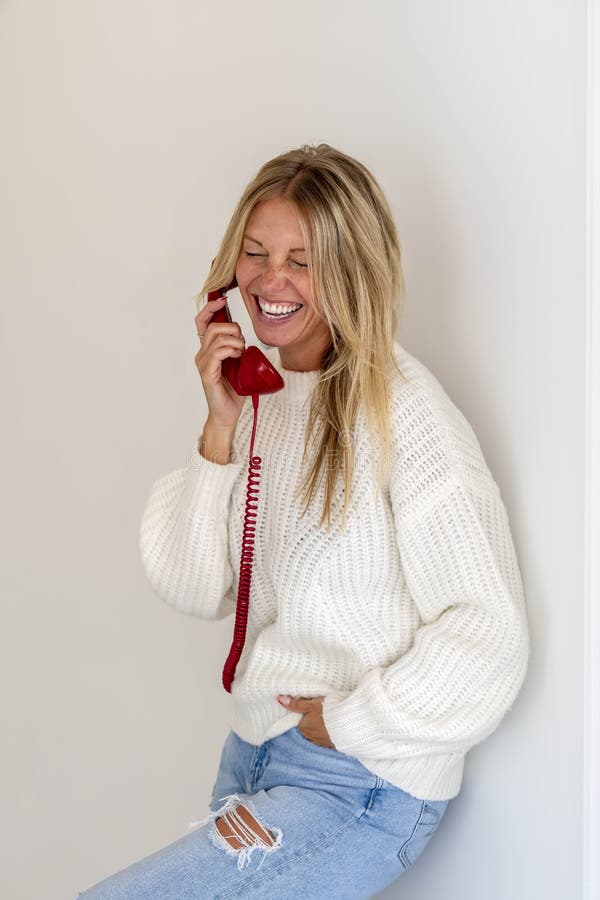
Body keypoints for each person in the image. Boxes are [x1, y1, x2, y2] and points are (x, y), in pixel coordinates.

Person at [77, 143, 530, 898]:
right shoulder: (261, 404)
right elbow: (194, 587)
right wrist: (218, 428)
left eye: (302, 259)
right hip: (251, 757)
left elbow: (490, 633)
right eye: (254, 253)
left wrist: (355, 720)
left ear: (353, 268)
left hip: (354, 784)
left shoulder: (406, 412)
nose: (270, 279)